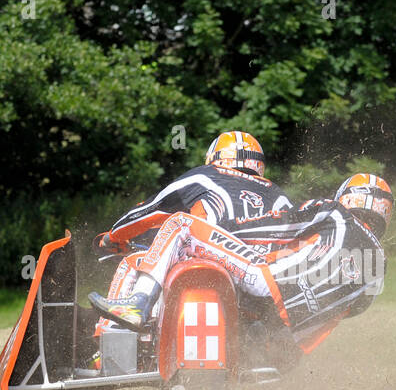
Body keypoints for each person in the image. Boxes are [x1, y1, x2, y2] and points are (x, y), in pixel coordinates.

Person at [89, 173, 391, 354]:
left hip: (268, 284)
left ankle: (137, 306)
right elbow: (345, 311)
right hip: (288, 337)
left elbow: (280, 225)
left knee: (181, 224)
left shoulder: (333, 212)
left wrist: (226, 231)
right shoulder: (379, 265)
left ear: (347, 197)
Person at [90, 130, 292, 344]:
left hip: (226, 263)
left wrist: (113, 237)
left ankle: (122, 324)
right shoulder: (277, 193)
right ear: (259, 164)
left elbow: (150, 210)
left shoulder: (206, 175)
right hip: (268, 282)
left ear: (215, 157)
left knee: (145, 251)